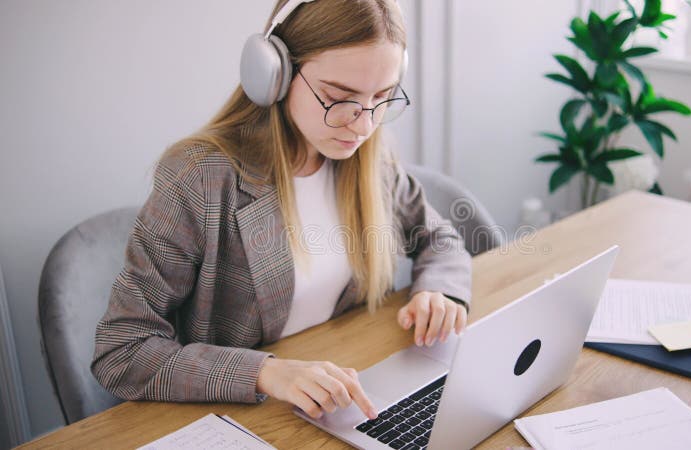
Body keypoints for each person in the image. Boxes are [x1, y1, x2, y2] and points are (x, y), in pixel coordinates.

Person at [91, 0, 471, 423]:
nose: (363, 125)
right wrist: (266, 372)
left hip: (344, 400)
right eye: (338, 97)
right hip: (244, 418)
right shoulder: (201, 178)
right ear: (275, 74)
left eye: (382, 97)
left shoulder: (372, 163)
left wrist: (438, 291)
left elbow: (439, 239)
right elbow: (122, 349)